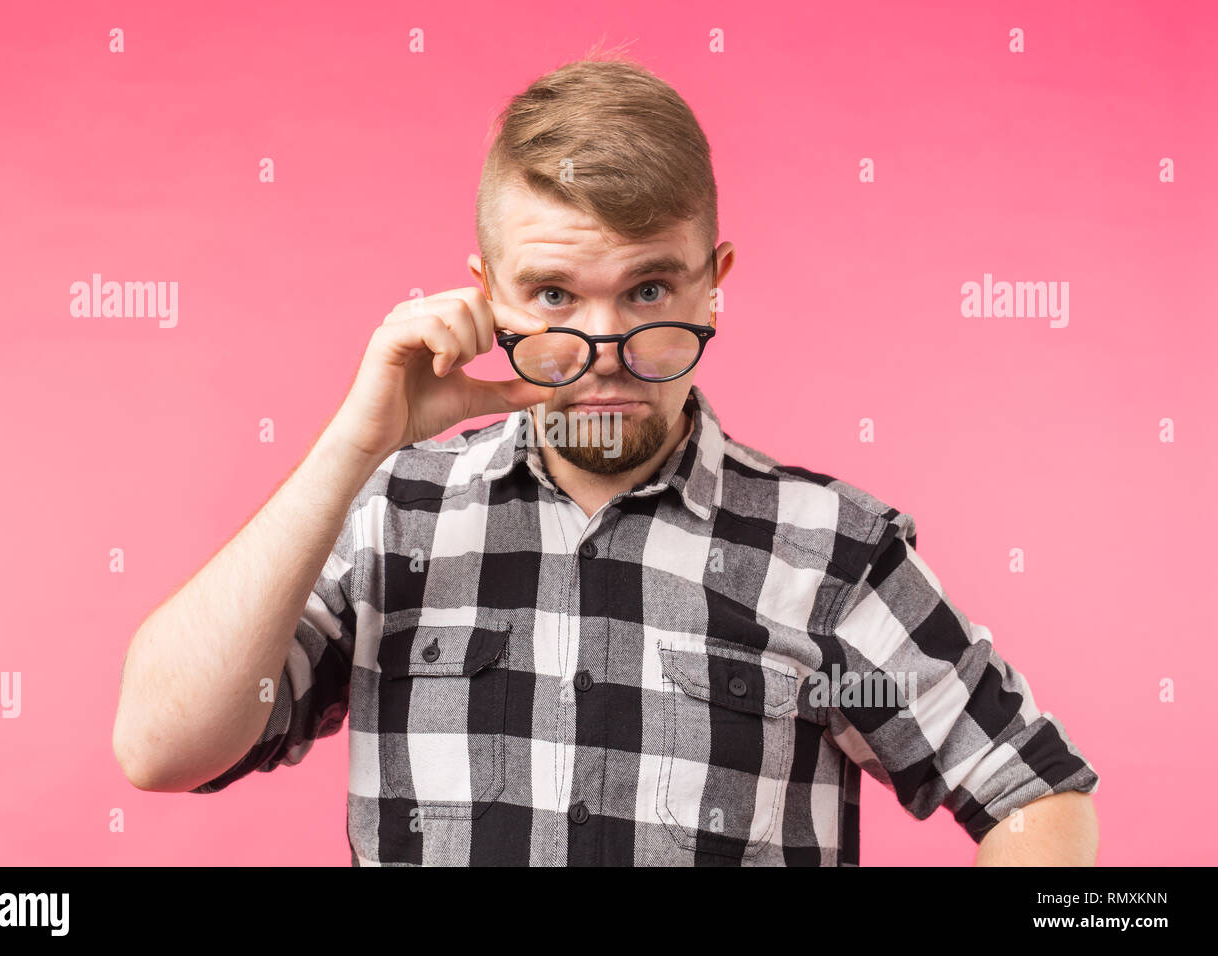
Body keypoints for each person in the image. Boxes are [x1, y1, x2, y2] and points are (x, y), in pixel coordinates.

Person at [112, 54, 1099, 866]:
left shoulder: (830, 557)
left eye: (648, 289)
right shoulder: (390, 522)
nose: (608, 351)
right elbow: (162, 744)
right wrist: (354, 443)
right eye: (551, 296)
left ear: (712, 287)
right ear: (488, 294)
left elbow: (1029, 785)